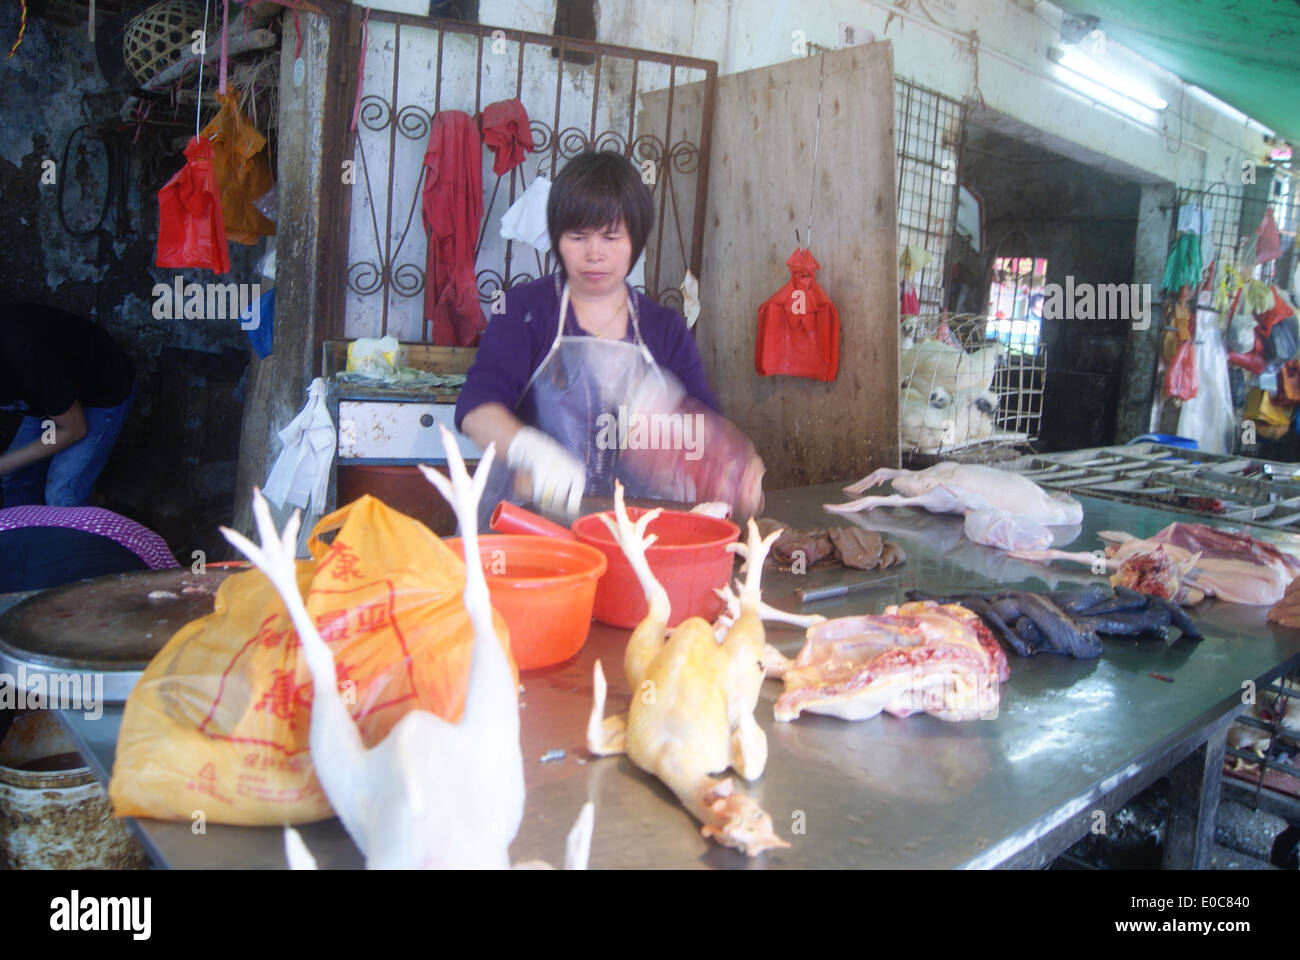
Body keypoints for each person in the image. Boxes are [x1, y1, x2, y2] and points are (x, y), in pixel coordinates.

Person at [455, 151, 762, 522]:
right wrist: (529, 450)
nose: (594, 254)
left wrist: (729, 467)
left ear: (635, 240)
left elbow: (703, 435)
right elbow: (476, 408)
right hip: (527, 529)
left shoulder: (663, 328)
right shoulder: (523, 310)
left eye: (611, 237)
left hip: (634, 535)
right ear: (556, 238)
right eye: (578, 236)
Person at [0, 302, 136, 507]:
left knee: (62, 495)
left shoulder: (25, 356)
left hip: (98, 391)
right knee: (17, 484)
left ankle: (95, 521)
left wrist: (3, 464)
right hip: (47, 401)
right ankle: (26, 536)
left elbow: (74, 430)